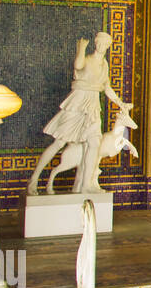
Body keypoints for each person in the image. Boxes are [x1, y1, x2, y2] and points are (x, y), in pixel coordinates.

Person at [27, 32, 131, 195]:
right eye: (100, 43)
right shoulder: (87, 59)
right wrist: (81, 49)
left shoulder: (104, 65)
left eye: (105, 44)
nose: (102, 46)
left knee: (95, 144)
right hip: (77, 103)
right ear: (95, 44)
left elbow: (107, 87)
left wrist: (119, 102)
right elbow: (78, 65)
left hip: (93, 106)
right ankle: (34, 180)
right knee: (59, 143)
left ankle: (86, 185)